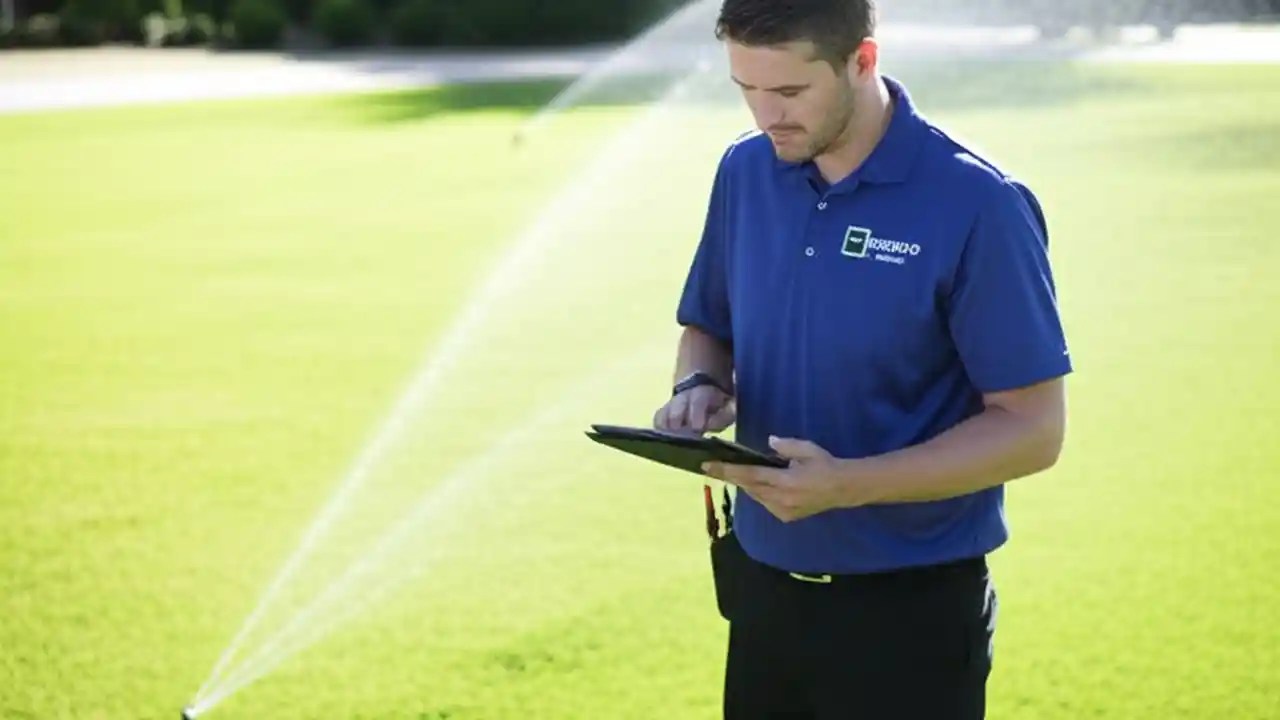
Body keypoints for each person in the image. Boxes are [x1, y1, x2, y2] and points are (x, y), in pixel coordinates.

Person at [650, 0, 1072, 717]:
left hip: (909, 619)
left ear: (862, 61)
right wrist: (699, 382)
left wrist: (847, 485)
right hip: (762, 597)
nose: (766, 115)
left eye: (789, 91)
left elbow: (1033, 430)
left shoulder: (980, 203)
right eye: (746, 89)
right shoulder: (746, 170)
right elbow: (707, 326)